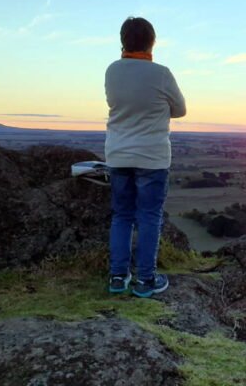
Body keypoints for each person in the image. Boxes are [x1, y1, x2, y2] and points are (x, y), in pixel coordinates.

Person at [104, 17, 186, 297]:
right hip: (152, 157)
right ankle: (145, 280)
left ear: (122, 41)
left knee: (122, 216)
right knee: (149, 217)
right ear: (152, 42)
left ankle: (118, 277)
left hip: (118, 154)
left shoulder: (112, 71)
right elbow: (180, 110)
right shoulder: (161, 74)